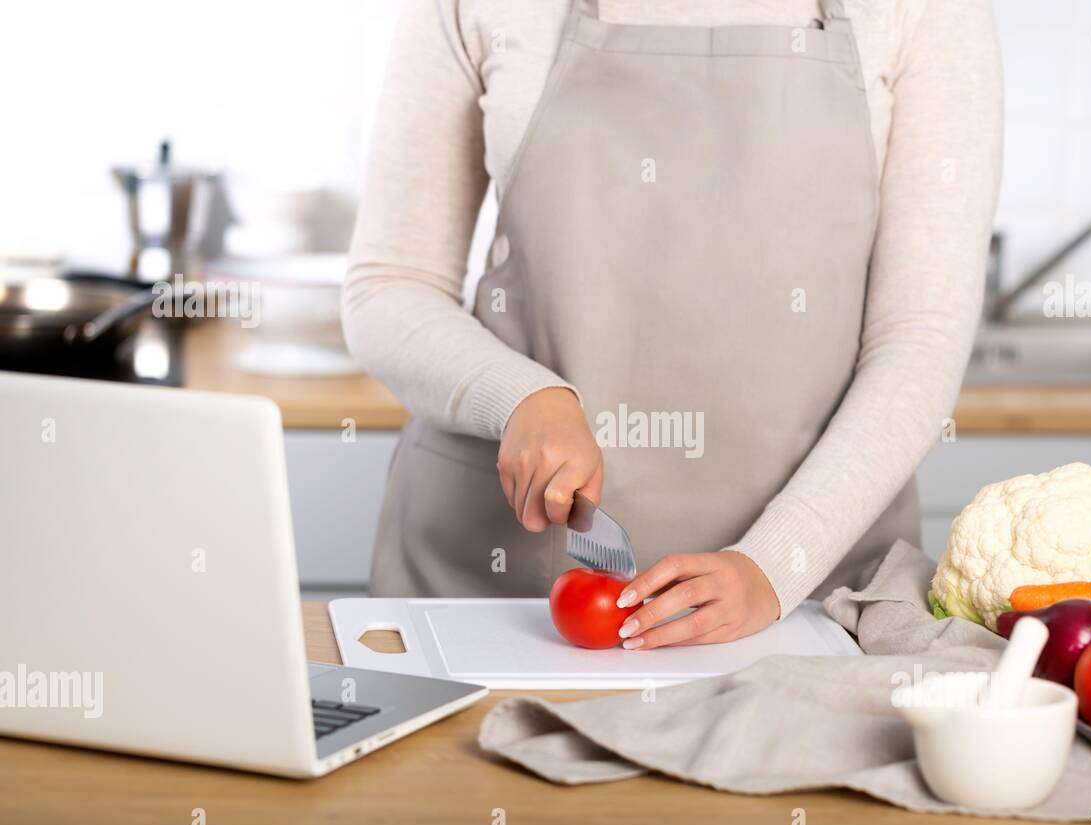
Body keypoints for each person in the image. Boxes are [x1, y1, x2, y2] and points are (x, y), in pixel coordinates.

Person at [343, 0, 1002, 650]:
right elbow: (389, 286)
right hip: (502, 594)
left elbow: (919, 336)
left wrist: (771, 567)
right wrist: (517, 395)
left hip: (806, 599)